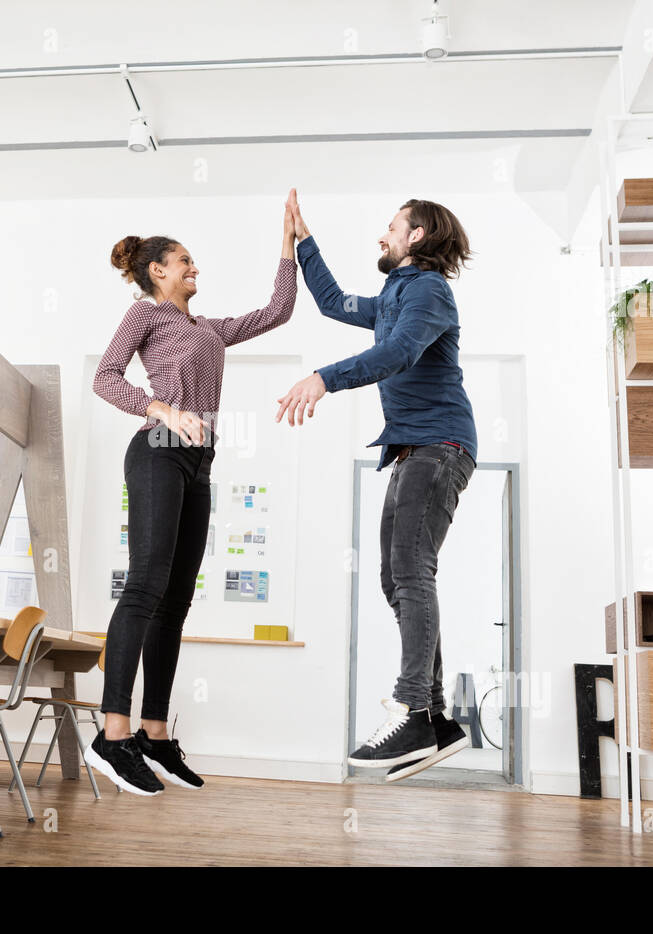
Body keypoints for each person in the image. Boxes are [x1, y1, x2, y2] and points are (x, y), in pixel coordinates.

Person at [86, 194, 298, 796]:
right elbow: (104, 377)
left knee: (176, 600)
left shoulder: (208, 329)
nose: (194, 269)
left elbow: (278, 310)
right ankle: (113, 733)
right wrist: (160, 409)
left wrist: (289, 244)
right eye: (185, 261)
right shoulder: (144, 316)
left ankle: (154, 734)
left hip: (198, 465)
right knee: (145, 586)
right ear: (158, 271)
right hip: (155, 448)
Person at [276, 190, 477, 782]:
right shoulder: (395, 294)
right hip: (414, 451)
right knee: (397, 577)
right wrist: (304, 242)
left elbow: (396, 353)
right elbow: (336, 303)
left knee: (412, 572)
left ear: (417, 237)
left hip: (439, 448)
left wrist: (324, 378)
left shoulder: (429, 292)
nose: (382, 236)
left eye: (391, 227)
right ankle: (436, 721)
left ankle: (416, 710)